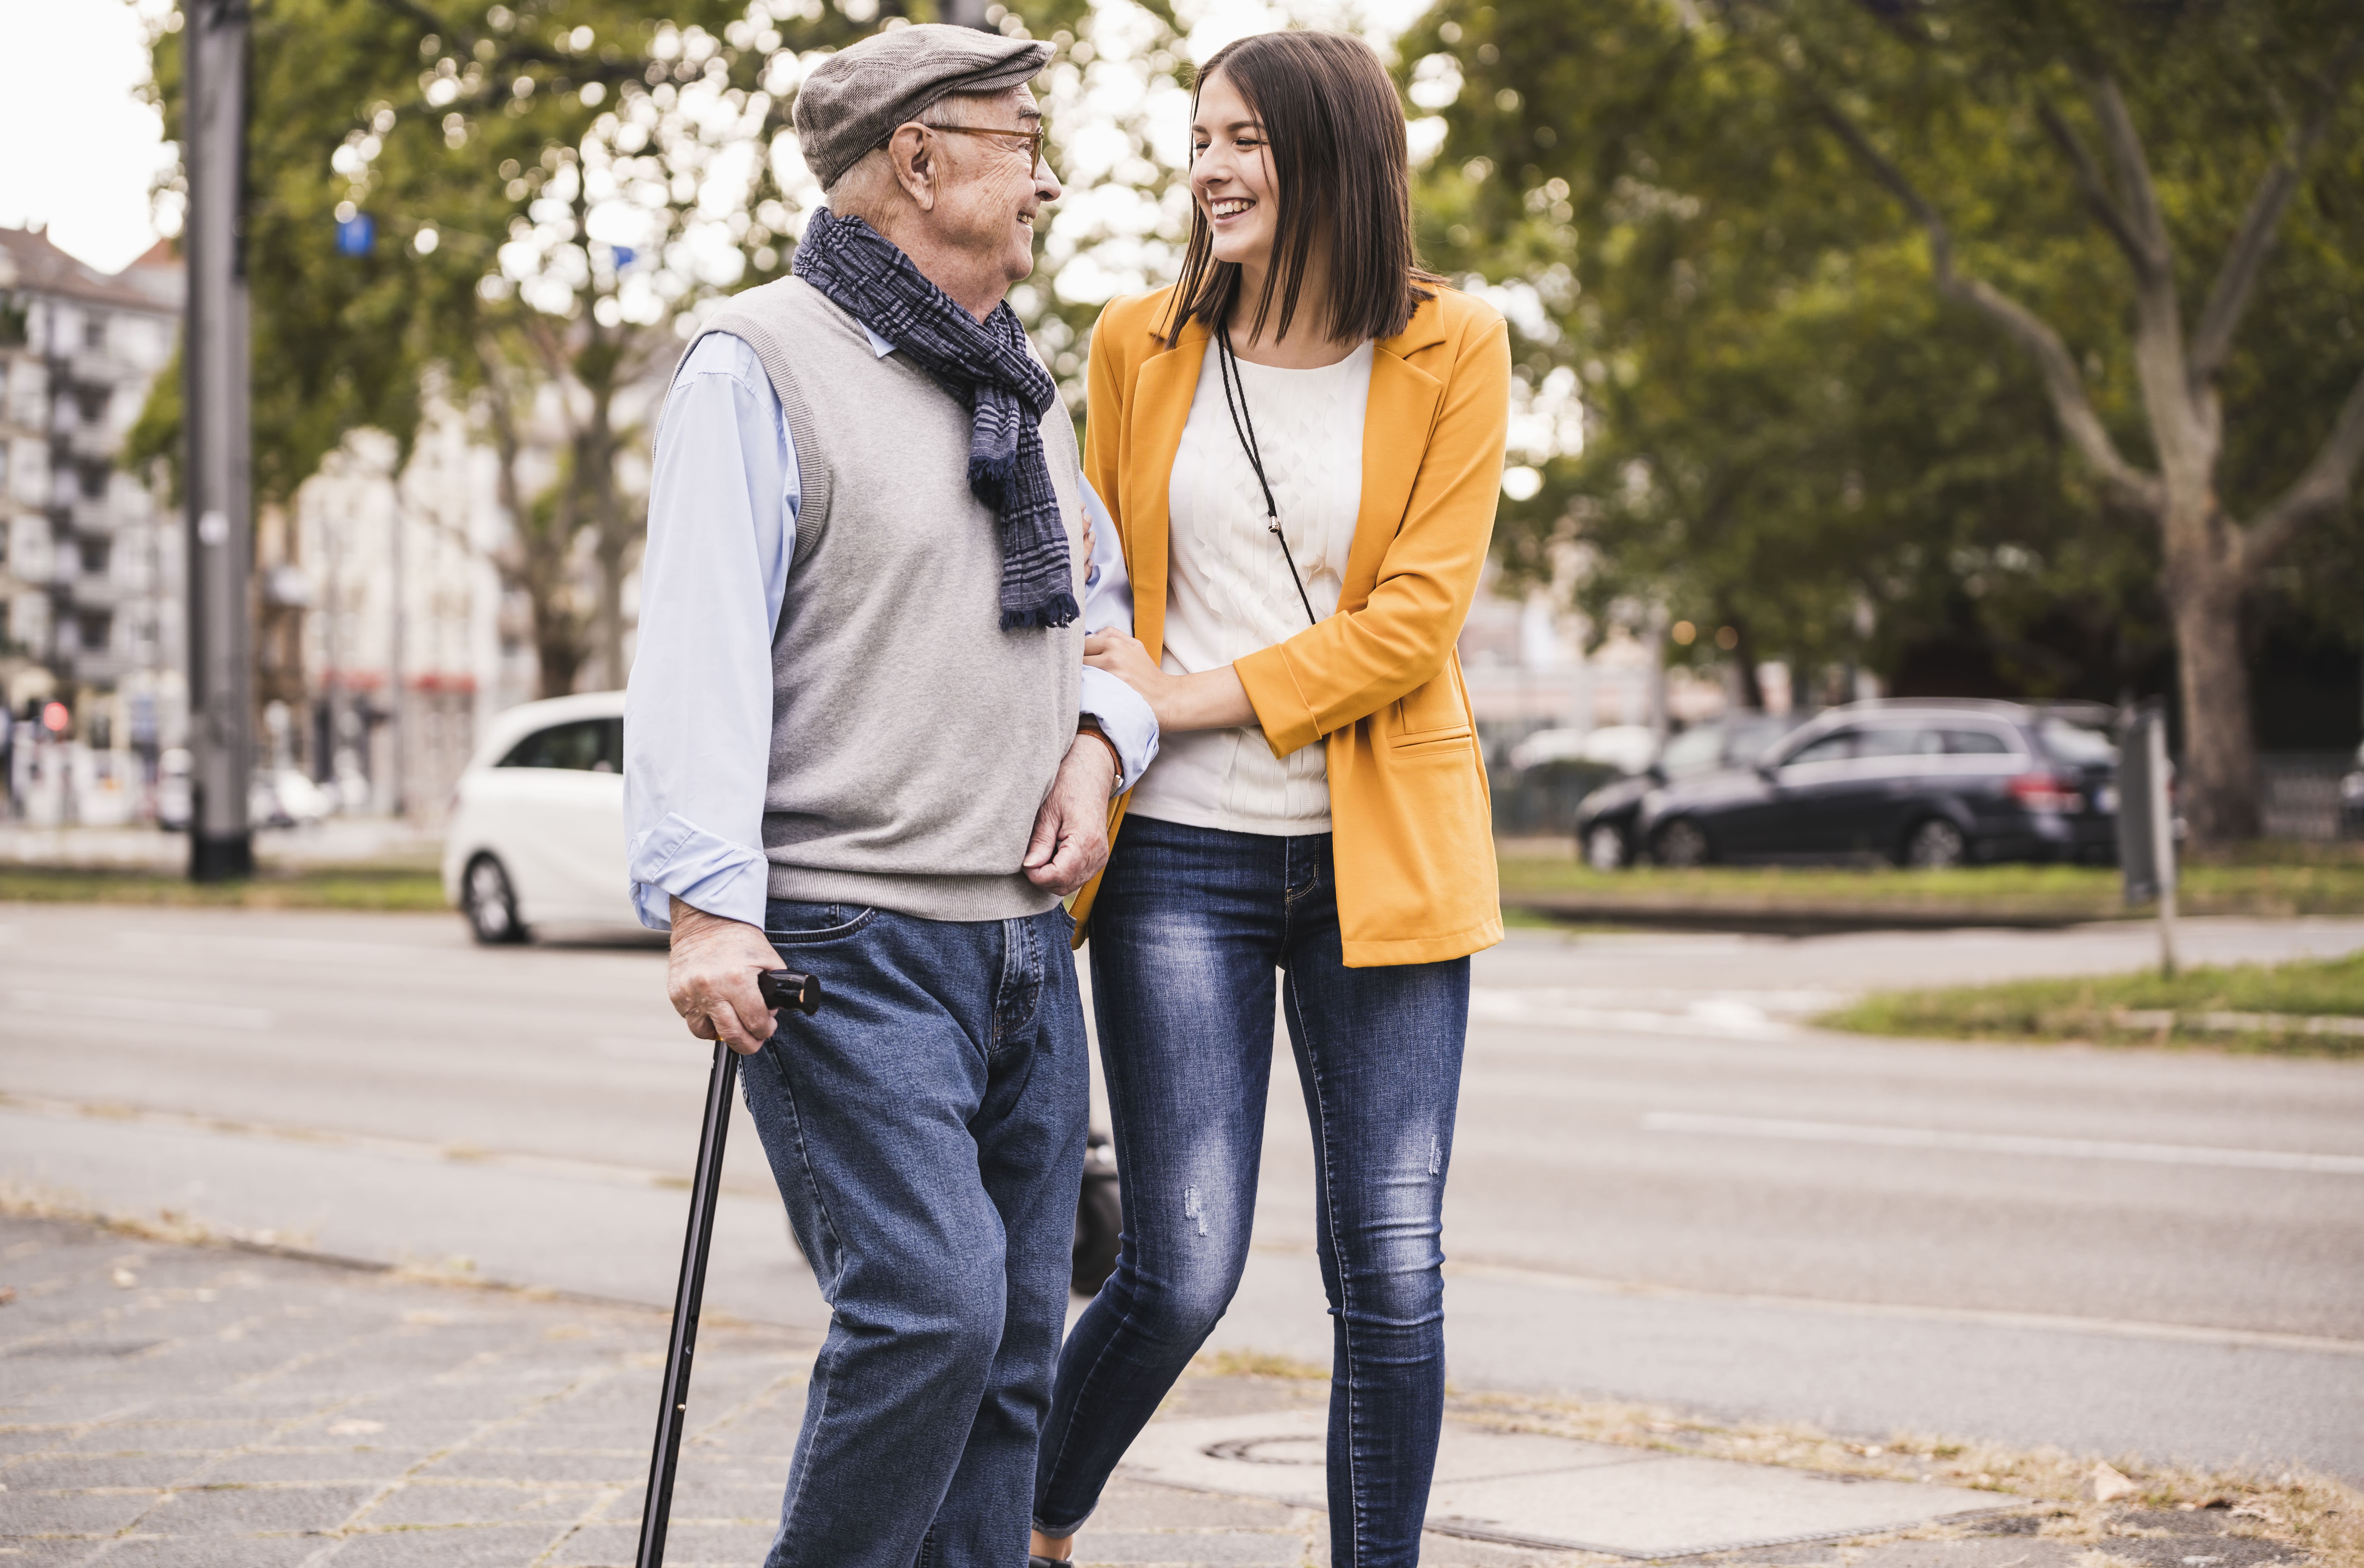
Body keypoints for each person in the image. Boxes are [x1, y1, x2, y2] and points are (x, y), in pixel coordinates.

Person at [620, 25, 1157, 1568]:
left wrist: (1097, 742)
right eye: (1020, 138)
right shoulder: (761, 361)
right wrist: (706, 912)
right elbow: (701, 651)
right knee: (928, 1310)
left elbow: (1103, 618)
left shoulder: (1017, 390)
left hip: (1020, 946)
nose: (1048, 174)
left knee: (1008, 1352)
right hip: (844, 942)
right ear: (919, 162)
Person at [1027, 29, 1511, 1568]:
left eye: (1247, 139)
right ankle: (1022, 1528)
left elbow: (1413, 624)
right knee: (1175, 1268)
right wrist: (1118, 729)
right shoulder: (1134, 345)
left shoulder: (1455, 343)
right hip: (1181, 860)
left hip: (1384, 858)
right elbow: (1103, 602)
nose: (1213, 167)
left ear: (1337, 162)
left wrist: (1188, 692)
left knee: (1389, 1267)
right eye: (1200, 140)